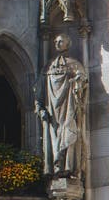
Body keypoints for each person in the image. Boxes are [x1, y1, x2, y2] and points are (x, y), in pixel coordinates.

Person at [35, 34, 88, 178]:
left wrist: (78, 82)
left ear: (68, 43)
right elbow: (39, 89)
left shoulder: (75, 64)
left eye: (61, 41)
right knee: (54, 138)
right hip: (52, 111)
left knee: (69, 133)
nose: (57, 43)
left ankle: (69, 167)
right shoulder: (48, 66)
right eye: (56, 41)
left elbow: (82, 82)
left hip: (68, 108)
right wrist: (40, 108)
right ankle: (56, 167)